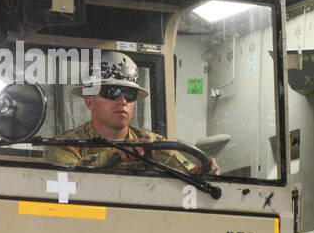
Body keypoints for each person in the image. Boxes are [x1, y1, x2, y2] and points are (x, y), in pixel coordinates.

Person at [45, 51, 215, 174]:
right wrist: (112, 155)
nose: (122, 101)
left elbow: (190, 176)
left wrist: (203, 172)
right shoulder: (65, 145)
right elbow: (63, 180)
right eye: (112, 92)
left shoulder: (154, 144)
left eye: (129, 94)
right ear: (90, 101)